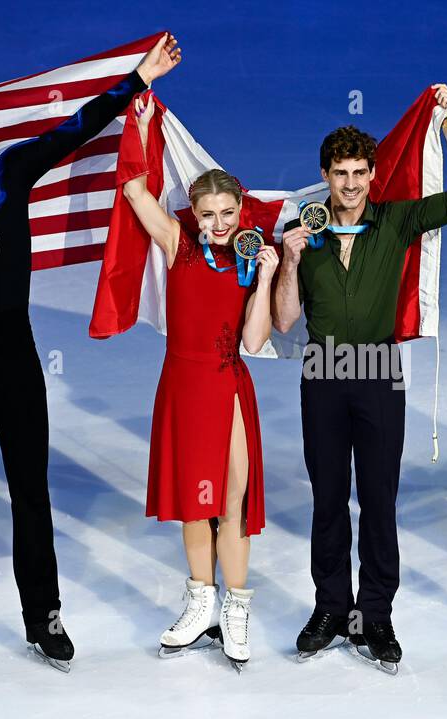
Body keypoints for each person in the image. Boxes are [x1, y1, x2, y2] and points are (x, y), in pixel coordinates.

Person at [0, 34, 183, 672]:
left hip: (14, 359)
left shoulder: (8, 172)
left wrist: (141, 77)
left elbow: (76, 128)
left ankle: (42, 613)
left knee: (31, 488)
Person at [272, 85, 447, 673]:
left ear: (372, 175)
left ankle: (375, 616)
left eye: (360, 173)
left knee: (379, 499)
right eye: (340, 173)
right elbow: (285, 320)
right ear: (324, 175)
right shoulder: (302, 233)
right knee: (327, 499)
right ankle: (329, 609)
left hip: (377, 371)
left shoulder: (396, 220)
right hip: (322, 371)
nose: (350, 184)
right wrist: (289, 260)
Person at [117, 92, 278, 670]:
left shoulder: (249, 260)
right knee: (195, 502)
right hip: (183, 387)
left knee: (230, 497)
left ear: (241, 212)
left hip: (228, 382)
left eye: (227, 214)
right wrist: (139, 125)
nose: (216, 224)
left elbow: (256, 343)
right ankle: (199, 601)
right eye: (206, 214)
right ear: (193, 212)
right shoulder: (179, 245)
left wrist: (265, 281)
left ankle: (235, 607)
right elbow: (135, 190)